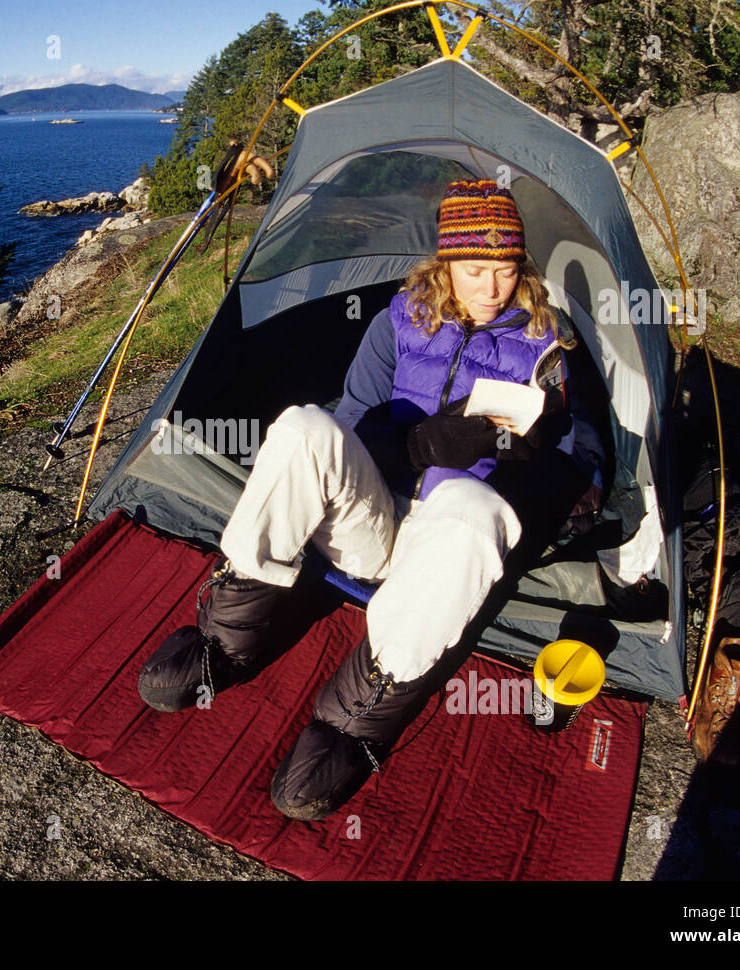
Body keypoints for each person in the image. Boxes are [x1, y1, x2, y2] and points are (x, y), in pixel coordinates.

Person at [137, 179, 598, 820]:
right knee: (304, 427)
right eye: (473, 270)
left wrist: (527, 463)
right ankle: (225, 636)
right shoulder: (397, 322)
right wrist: (419, 445)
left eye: (506, 269)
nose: (492, 288)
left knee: (478, 511)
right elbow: (352, 419)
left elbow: (582, 463)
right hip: (372, 517)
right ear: (444, 264)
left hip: (443, 540)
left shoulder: (546, 346)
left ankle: (357, 715)